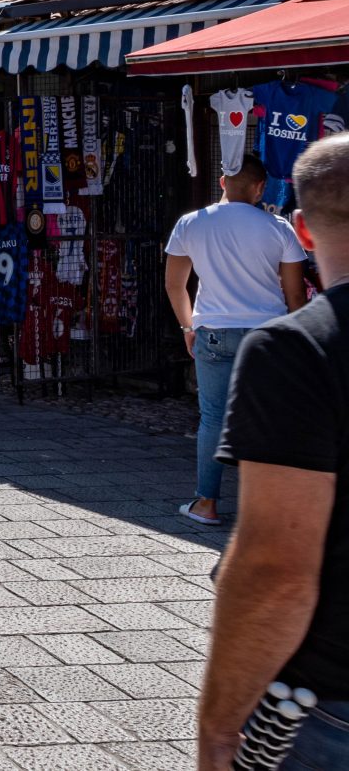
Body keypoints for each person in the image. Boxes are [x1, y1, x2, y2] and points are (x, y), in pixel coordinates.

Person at [196, 133, 349, 769]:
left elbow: (276, 572)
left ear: (303, 232)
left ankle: (202, 498)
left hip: (331, 706)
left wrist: (219, 727)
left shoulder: (302, 351)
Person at [164, 155, 309, 527]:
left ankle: (207, 504)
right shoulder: (279, 228)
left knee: (212, 417)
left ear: (221, 182)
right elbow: (295, 296)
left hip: (212, 331)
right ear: (262, 188)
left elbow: (174, 284)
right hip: (268, 336)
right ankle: (266, 509)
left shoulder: (191, 223)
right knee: (266, 418)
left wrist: (187, 327)